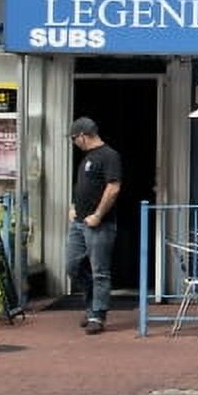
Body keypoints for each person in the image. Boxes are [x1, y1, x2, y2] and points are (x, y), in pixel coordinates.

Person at [66, 118, 121, 335]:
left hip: (100, 224)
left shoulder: (109, 156)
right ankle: (90, 307)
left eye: (73, 138)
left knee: (99, 270)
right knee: (73, 265)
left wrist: (98, 214)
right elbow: (80, 186)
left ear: (82, 135)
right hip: (79, 222)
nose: (74, 143)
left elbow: (114, 187)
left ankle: (97, 314)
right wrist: (73, 206)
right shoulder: (87, 158)